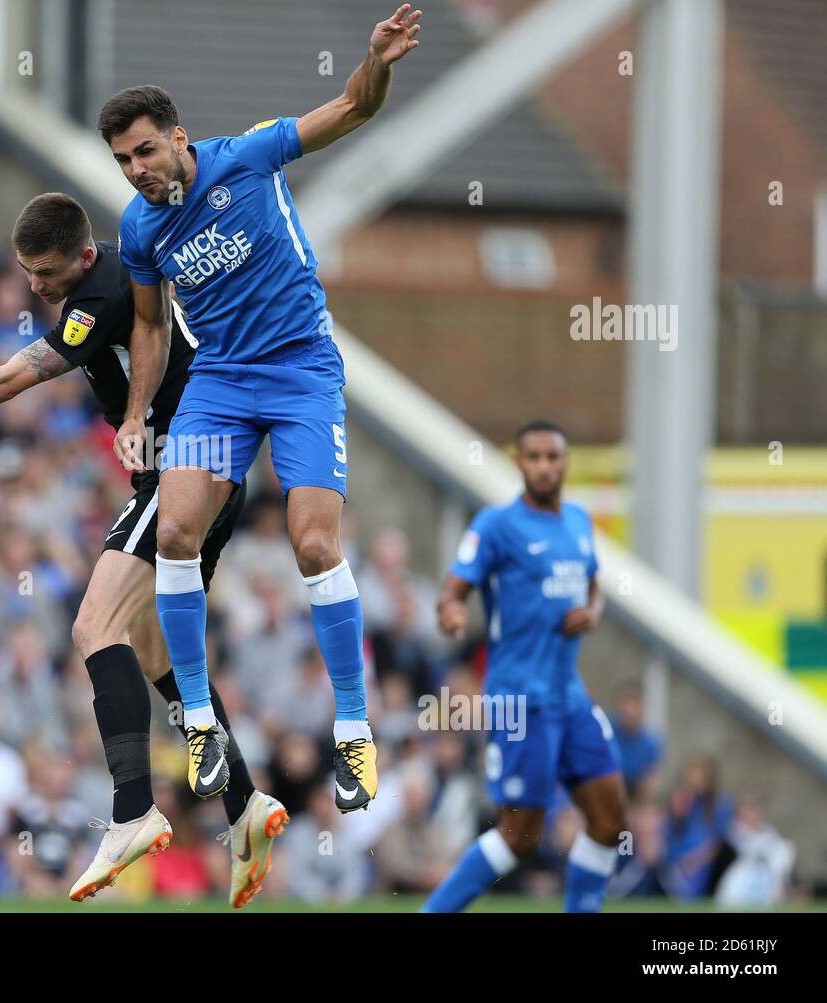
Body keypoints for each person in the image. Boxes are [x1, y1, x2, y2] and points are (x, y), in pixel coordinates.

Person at [0, 192, 287, 908]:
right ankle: (245, 807)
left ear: (83, 256)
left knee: (90, 626)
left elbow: (13, 377)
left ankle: (134, 809)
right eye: (26, 272)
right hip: (203, 466)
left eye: (46, 272)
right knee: (154, 650)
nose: (35, 285)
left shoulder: (99, 293)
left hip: (188, 466)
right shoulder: (105, 283)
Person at [97, 6, 423, 813]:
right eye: (121, 159)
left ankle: (354, 728)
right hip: (220, 385)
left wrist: (375, 61)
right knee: (175, 530)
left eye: (144, 150)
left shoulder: (248, 155)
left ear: (179, 137)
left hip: (303, 372)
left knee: (314, 543)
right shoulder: (140, 230)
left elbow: (352, 109)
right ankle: (202, 723)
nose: (135, 169)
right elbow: (146, 323)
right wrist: (138, 413)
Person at [421, 419, 628, 912]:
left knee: (609, 822)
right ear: (519, 463)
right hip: (519, 699)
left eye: (551, 457)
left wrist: (593, 612)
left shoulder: (578, 522)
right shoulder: (496, 525)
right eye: (532, 457)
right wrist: (450, 613)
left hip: (570, 698)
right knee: (519, 836)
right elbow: (452, 592)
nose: (542, 466)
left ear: (564, 462)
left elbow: (593, 584)